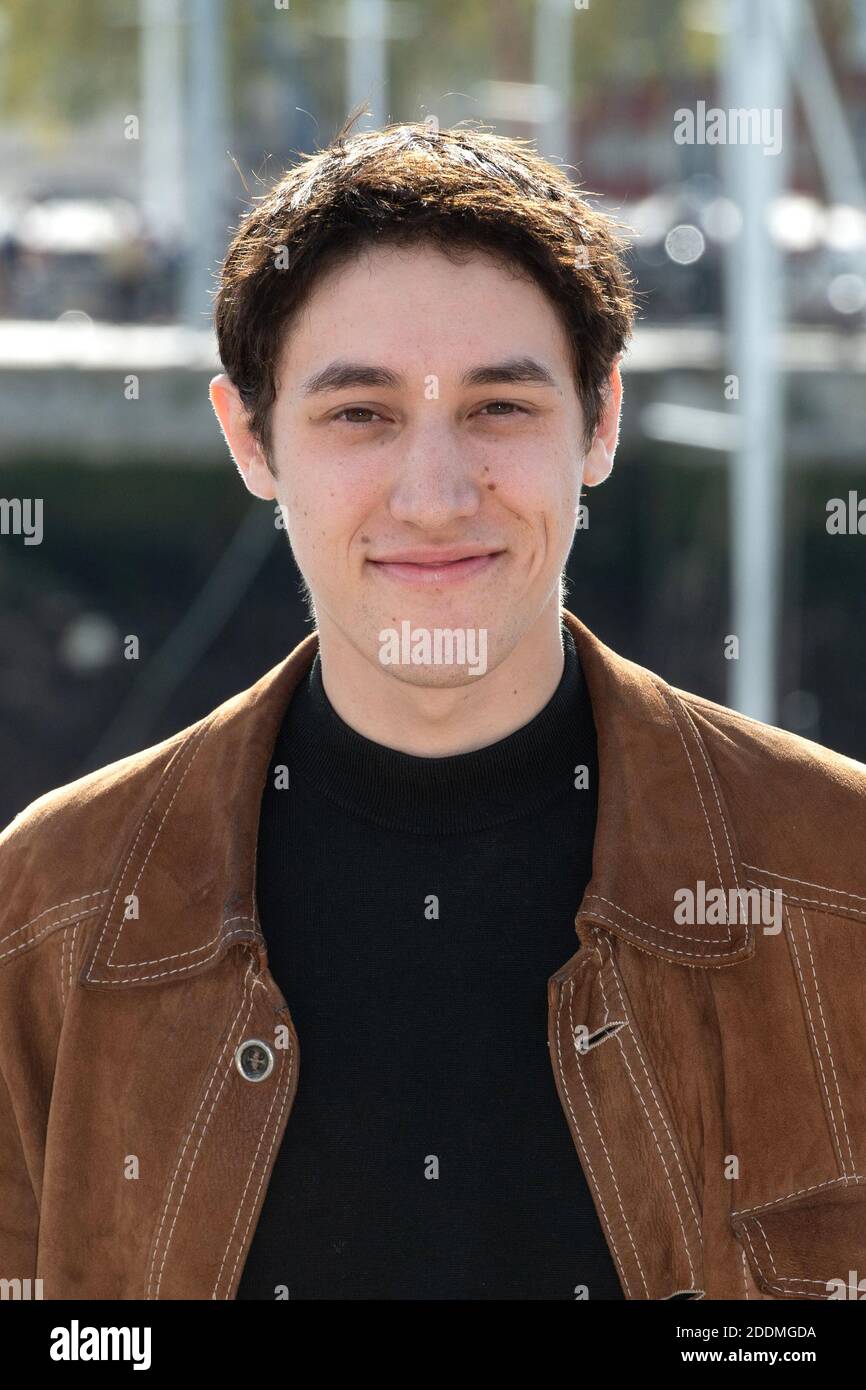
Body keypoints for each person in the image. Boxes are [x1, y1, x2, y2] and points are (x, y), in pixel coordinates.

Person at [2, 119, 865, 1303]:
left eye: (497, 407)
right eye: (359, 414)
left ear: (598, 422)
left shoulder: (839, 877)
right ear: (249, 439)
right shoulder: (51, 911)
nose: (435, 495)